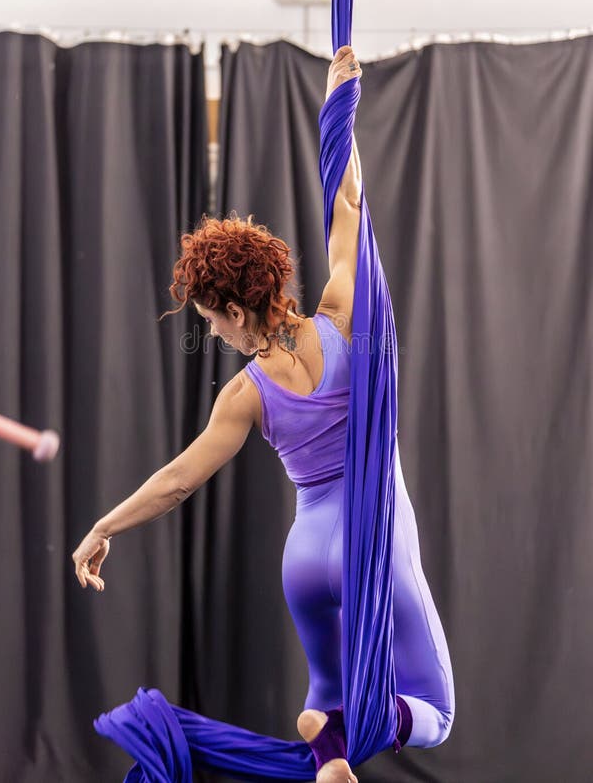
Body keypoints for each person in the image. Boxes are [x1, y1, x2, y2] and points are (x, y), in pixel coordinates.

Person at [72, 46, 454, 783]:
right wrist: (339, 106)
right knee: (434, 708)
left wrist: (102, 527)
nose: (211, 331)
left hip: (308, 558)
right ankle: (354, 729)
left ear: (239, 309)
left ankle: (328, 742)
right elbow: (349, 207)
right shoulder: (347, 315)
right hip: (374, 539)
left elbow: (180, 481)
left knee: (329, 717)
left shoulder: (244, 394)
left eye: (212, 319)